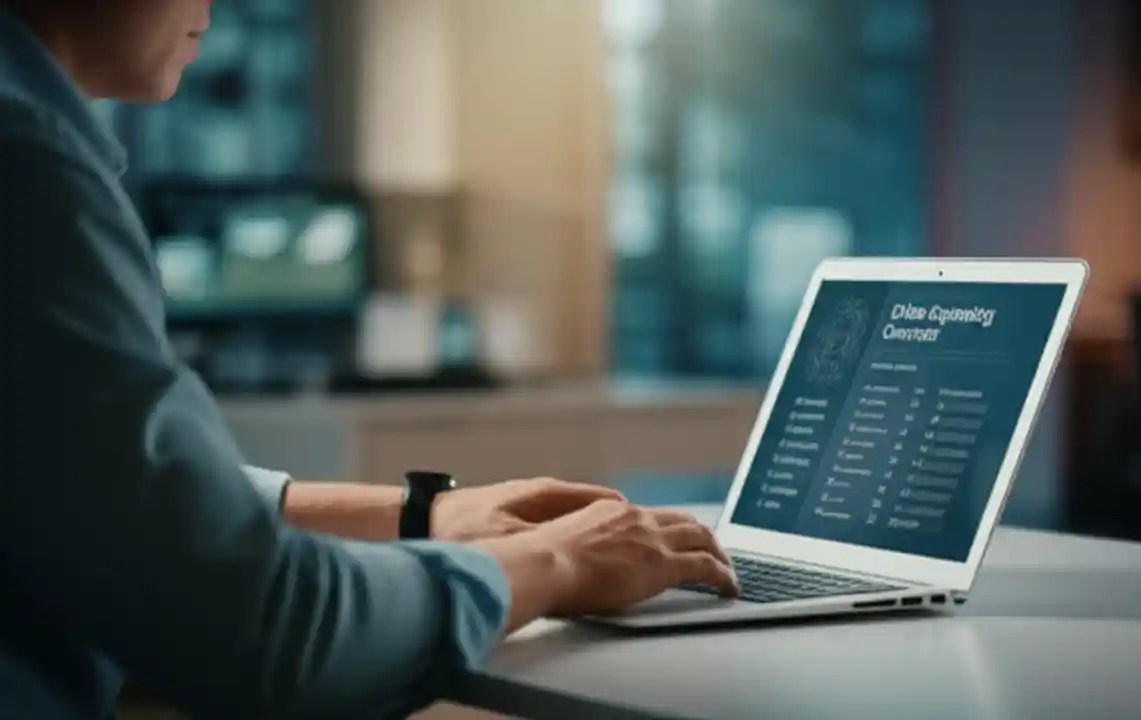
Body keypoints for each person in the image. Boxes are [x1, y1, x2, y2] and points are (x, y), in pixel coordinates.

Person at [0, 1, 738, 718]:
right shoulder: (25, 164)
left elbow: (93, 485)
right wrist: (556, 567)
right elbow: (260, 627)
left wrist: (423, 514)